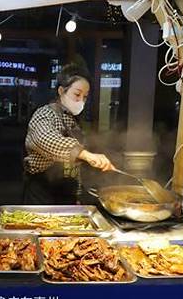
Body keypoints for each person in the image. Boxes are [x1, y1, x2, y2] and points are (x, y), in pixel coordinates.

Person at [22, 63, 115, 205]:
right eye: (77, 94)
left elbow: (73, 166)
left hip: (66, 192)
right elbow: (45, 139)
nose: (81, 100)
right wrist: (85, 154)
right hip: (43, 194)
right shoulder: (45, 113)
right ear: (61, 91)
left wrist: (77, 194)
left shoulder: (73, 120)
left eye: (85, 97)